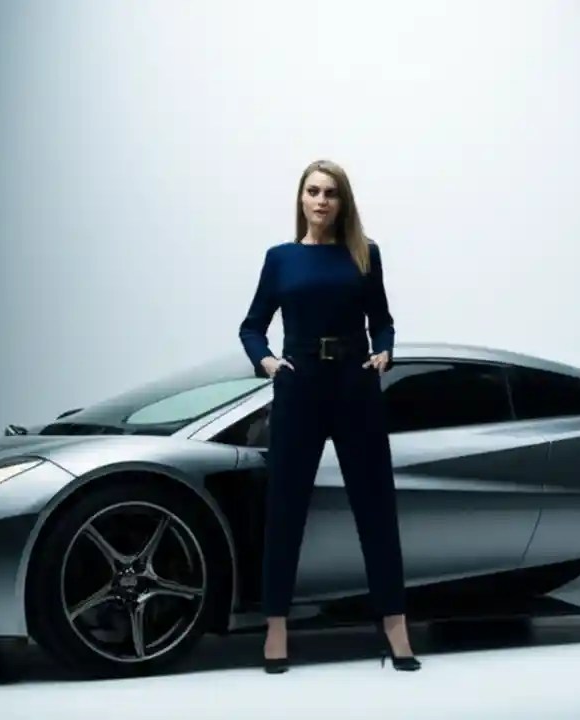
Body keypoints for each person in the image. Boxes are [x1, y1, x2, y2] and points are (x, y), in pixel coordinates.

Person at [238, 159, 421, 674]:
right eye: (313, 191)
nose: (321, 200)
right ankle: (276, 626)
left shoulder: (364, 254)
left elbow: (382, 321)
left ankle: (395, 625)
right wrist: (267, 362)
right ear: (301, 199)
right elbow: (252, 326)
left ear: (343, 202)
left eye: (331, 193)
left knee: (376, 506)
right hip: (300, 385)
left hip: (354, 383)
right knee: (285, 507)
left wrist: (384, 352)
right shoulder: (281, 259)